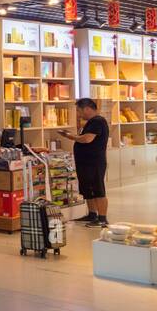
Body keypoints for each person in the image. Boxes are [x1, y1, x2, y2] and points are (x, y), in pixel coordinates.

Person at [58, 97, 110, 228]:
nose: (79, 114)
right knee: (87, 189)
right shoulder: (90, 122)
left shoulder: (97, 121)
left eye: (79, 110)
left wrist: (70, 136)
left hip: (94, 162)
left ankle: (102, 218)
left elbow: (87, 139)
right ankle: (92, 214)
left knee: (97, 189)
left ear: (87, 108)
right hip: (85, 162)